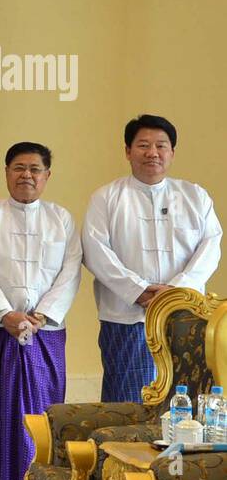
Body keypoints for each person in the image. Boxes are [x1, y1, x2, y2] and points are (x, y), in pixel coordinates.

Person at [0, 142, 82, 480]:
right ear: (6, 172)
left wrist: (42, 316)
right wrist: (5, 314)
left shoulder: (61, 219)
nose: (26, 175)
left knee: (43, 414)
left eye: (35, 169)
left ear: (47, 176)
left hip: (45, 332)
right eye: (18, 167)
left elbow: (70, 271)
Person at [82, 114, 222, 402]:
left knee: (186, 401)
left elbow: (211, 246)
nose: (153, 153)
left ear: (172, 152)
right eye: (143, 145)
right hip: (127, 317)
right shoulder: (106, 198)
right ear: (127, 151)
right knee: (127, 400)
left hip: (186, 316)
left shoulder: (195, 196)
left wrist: (176, 292)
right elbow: (95, 251)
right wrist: (139, 291)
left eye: (161, 145)